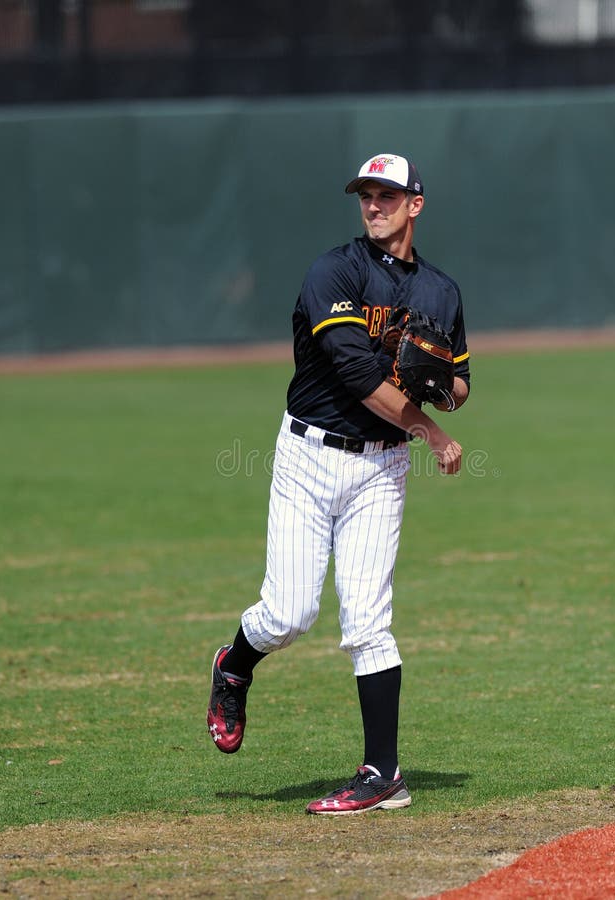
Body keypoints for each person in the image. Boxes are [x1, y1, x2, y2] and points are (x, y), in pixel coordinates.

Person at [207, 152, 471, 815]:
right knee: (288, 614)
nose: (373, 205)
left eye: (387, 195)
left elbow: (461, 387)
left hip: (380, 469)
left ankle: (383, 776)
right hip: (308, 457)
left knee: (368, 623)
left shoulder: (440, 291)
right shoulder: (335, 271)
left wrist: (441, 384)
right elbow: (356, 373)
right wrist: (432, 432)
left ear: (415, 204)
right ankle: (235, 664)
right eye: (365, 195)